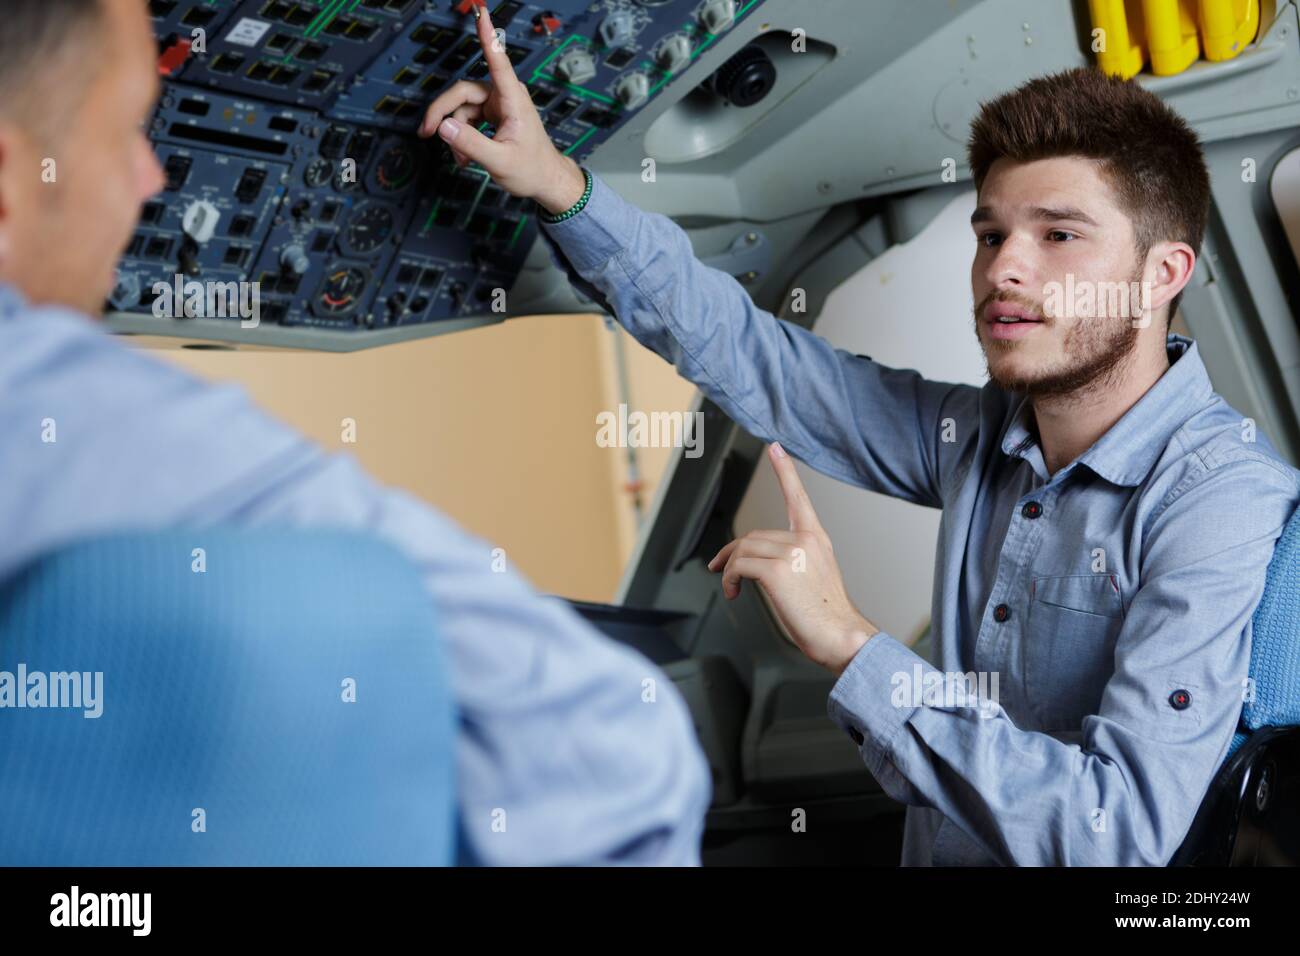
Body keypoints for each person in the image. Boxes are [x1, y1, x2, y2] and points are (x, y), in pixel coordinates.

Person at [424, 6, 1300, 864]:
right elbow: (755, 359)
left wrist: (848, 641)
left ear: (1162, 274)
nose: (1004, 268)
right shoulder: (981, 436)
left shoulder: (1218, 496)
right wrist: (559, 188)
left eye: (1059, 234)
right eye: (990, 234)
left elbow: (1116, 834)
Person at [0, 0, 710, 866]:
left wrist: (561, 185)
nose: (154, 179)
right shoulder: (61, 400)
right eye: (125, 131)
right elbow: (621, 765)